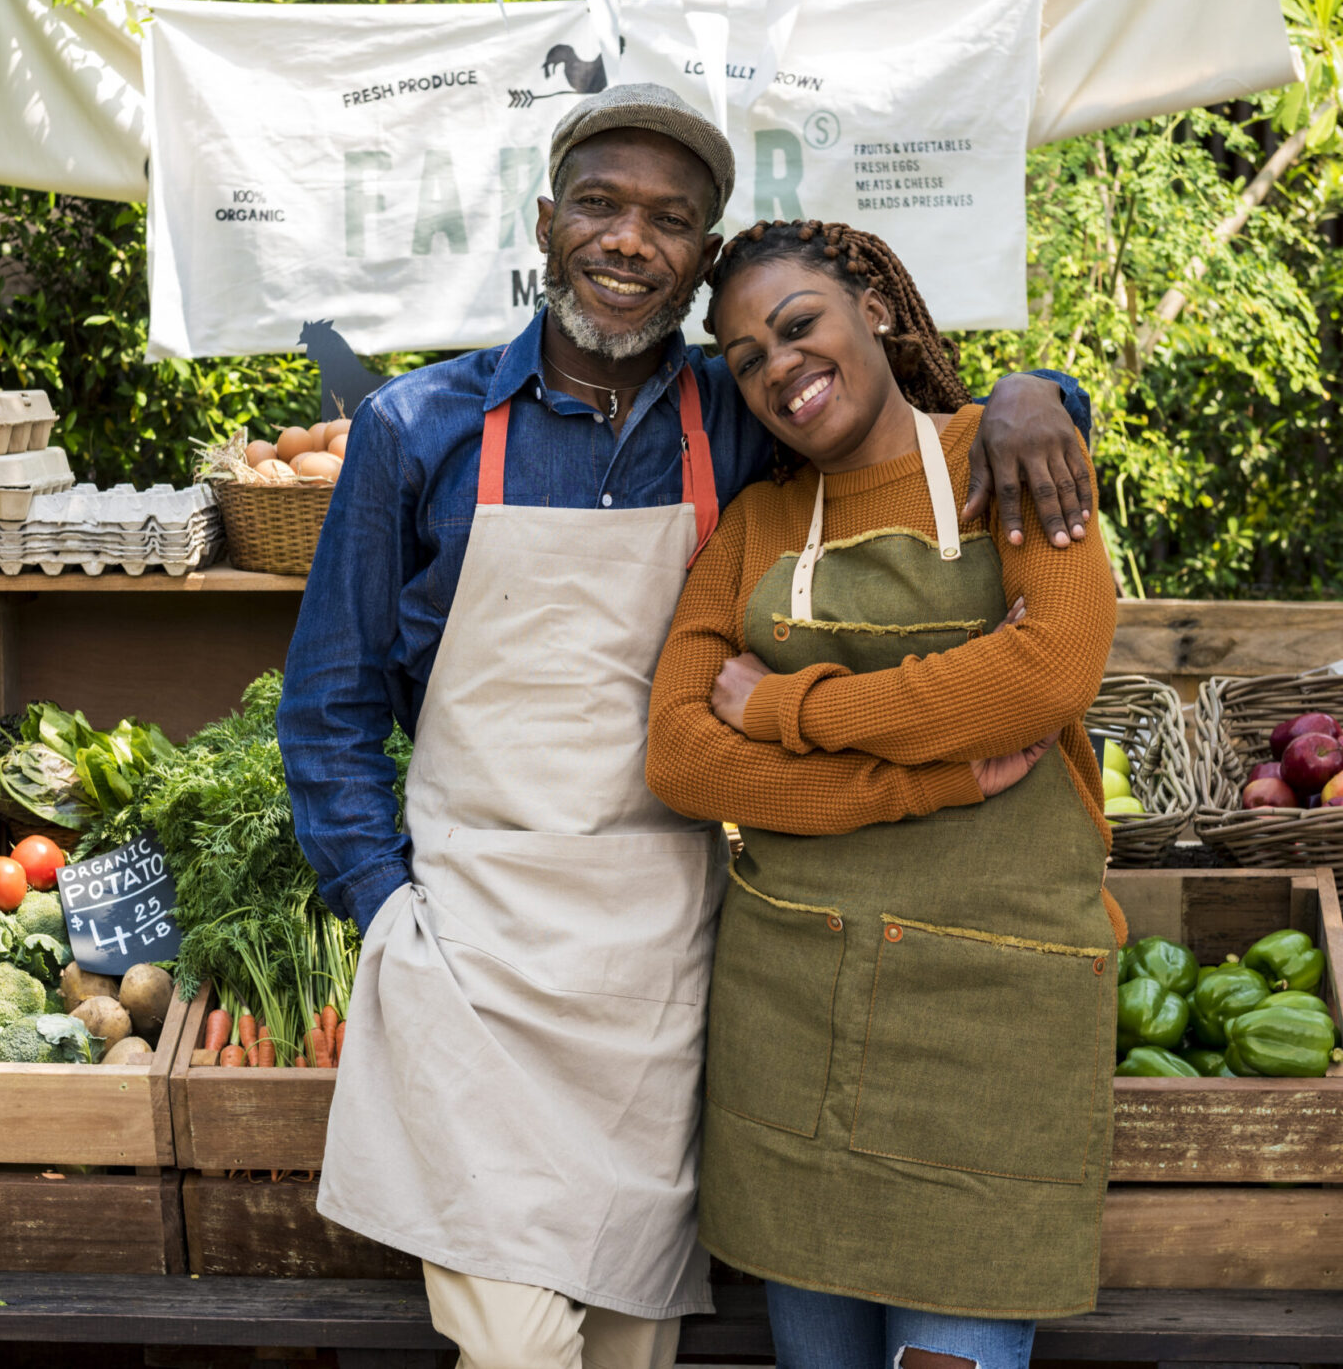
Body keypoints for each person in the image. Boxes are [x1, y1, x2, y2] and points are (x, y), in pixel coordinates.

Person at [277, 85, 1095, 1369]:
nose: (627, 240)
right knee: (519, 1348)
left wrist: (1037, 392)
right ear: (547, 223)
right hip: (471, 950)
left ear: (701, 257)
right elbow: (326, 705)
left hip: (661, 960)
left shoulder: (740, 411)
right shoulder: (417, 431)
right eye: (599, 205)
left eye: (670, 220)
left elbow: (884, 410)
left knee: (628, 1346)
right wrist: (385, 910)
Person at [645, 218, 1125, 1369]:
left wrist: (781, 713)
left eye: (798, 326)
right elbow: (677, 754)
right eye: (747, 358)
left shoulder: (1011, 458)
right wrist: (920, 780)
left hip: (990, 1018)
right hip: (795, 1005)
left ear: (877, 306)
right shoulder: (757, 523)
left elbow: (1045, 672)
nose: (778, 369)